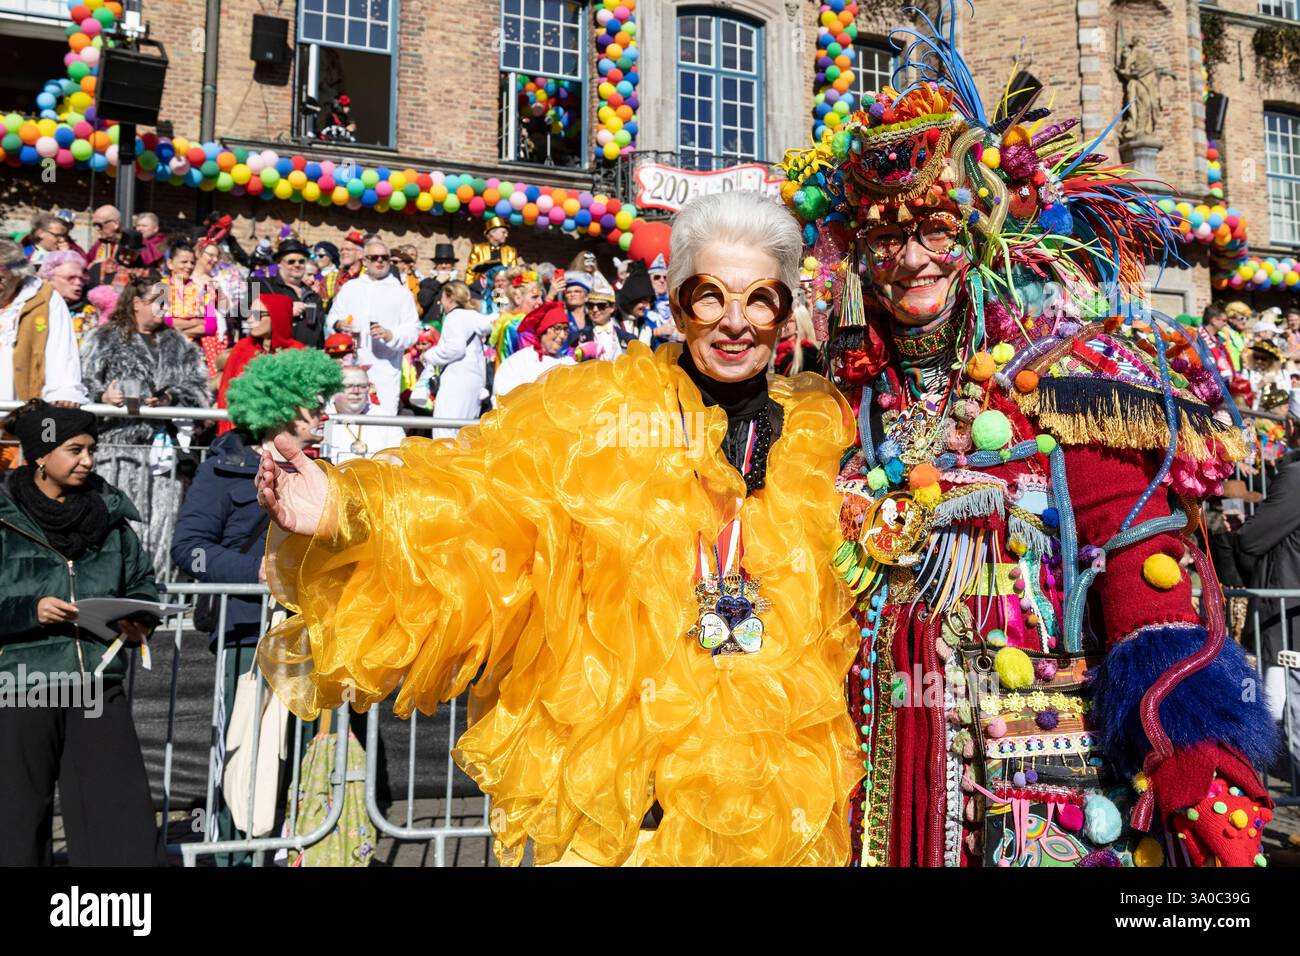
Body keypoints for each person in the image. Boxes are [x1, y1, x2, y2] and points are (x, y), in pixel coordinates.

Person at [782, 4, 1276, 867]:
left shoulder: (1057, 389)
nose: (912, 259)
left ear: (975, 237)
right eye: (888, 237)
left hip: (1028, 805)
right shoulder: (833, 412)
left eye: (934, 229)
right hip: (864, 793)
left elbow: (1149, 598)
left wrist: (1198, 773)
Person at [254, 190, 858, 867]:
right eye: (710, 295)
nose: (735, 322)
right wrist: (348, 510)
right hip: (619, 812)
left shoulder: (820, 442)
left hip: (761, 810)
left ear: (787, 308)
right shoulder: (595, 413)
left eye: (759, 299)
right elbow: (480, 505)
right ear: (677, 301)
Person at [171, 347, 341, 863]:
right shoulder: (223, 468)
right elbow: (188, 548)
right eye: (313, 407)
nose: (323, 415)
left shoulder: (324, 473)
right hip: (247, 636)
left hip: (311, 637)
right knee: (244, 757)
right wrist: (256, 573)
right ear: (281, 411)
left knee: (294, 762)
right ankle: (233, 859)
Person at [0, 401, 163, 866]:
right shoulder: (5, 520)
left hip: (97, 679)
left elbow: (141, 583)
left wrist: (139, 620)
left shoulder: (110, 519)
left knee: (117, 813)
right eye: (74, 449)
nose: (88, 460)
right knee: (16, 815)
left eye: (91, 448)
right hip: (21, 683)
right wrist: (29, 610)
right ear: (39, 456)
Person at [80, 278, 211, 572]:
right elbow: (79, 385)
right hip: (116, 448)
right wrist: (103, 396)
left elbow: (200, 389)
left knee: (162, 522)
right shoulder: (104, 338)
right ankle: (110, 587)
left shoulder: (178, 343)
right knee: (116, 520)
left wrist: (169, 397)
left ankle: (155, 590)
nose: (163, 308)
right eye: (156, 300)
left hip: (163, 451)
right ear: (136, 302)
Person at [1236, 392, 1300, 780]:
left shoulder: (1295, 476)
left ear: (1292, 426)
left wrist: (1233, 540)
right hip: (1288, 608)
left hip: (1285, 615)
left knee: (1274, 712)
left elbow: (1252, 539)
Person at [325, 237, 419, 414]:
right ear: (365, 260)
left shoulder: (400, 292)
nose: (380, 261)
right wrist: (339, 324)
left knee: (381, 421)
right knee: (346, 418)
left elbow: (412, 330)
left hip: (384, 367)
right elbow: (331, 318)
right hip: (350, 366)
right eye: (374, 257)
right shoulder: (351, 288)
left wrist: (390, 335)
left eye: (384, 257)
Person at [0, 239, 87, 406]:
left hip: (19, 408)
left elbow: (61, 349)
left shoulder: (44, 299)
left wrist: (64, 390)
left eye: (1, 279)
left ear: (18, 274)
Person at [412, 280, 494, 437]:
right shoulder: (473, 316)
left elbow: (455, 349)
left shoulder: (454, 317)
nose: (440, 302)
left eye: (442, 297)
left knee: (445, 433)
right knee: (465, 435)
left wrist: (429, 355)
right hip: (473, 385)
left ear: (449, 297)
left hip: (456, 384)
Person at [216, 292, 305, 434]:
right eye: (250, 313)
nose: (250, 320)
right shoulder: (242, 348)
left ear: (277, 316)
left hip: (284, 434)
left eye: (257, 314)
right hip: (242, 433)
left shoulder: (298, 353)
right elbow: (225, 396)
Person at [492, 300, 574, 405]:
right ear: (542, 330)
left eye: (565, 329)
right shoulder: (517, 362)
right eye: (557, 329)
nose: (562, 335)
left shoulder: (569, 364)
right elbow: (500, 398)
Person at [324, 365, 408, 463]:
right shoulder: (321, 418)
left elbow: (400, 457)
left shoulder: (385, 417)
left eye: (362, 386)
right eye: (348, 386)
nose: (356, 391)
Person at [260, 239, 324, 348]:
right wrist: (285, 311)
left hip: (308, 359)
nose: (297, 265)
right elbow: (246, 315)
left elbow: (320, 333)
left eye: (301, 261)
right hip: (276, 358)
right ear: (279, 263)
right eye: (291, 261)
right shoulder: (262, 285)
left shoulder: (313, 296)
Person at [572, 275, 633, 360]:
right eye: (590, 305)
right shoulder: (580, 335)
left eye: (601, 306)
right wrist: (581, 353)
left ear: (612, 308)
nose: (595, 309)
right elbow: (568, 355)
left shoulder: (626, 336)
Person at [465, 216, 519, 287]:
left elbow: (514, 272)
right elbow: (471, 271)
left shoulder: (510, 251)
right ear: (493, 233)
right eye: (503, 232)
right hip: (482, 288)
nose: (506, 235)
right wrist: (468, 289)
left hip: (503, 289)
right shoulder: (478, 249)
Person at [416, 242, 458, 329]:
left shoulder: (459, 284)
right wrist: (437, 282)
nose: (443, 266)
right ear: (435, 264)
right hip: (430, 329)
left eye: (447, 263)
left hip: (451, 328)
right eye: (440, 263)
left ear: (452, 265)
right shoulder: (426, 282)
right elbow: (423, 301)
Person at [615, 260, 656, 347]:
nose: (648, 308)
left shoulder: (644, 323)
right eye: (644, 302)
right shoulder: (613, 320)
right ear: (631, 301)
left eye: (649, 302)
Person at [774, 305, 821, 376]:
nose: (781, 324)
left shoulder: (808, 353)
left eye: (787, 320)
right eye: (780, 320)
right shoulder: (779, 351)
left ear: (799, 324)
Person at [311, 241, 341, 308]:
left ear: (330, 257)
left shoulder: (338, 275)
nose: (317, 259)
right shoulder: (315, 274)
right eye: (315, 256)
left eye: (321, 256)